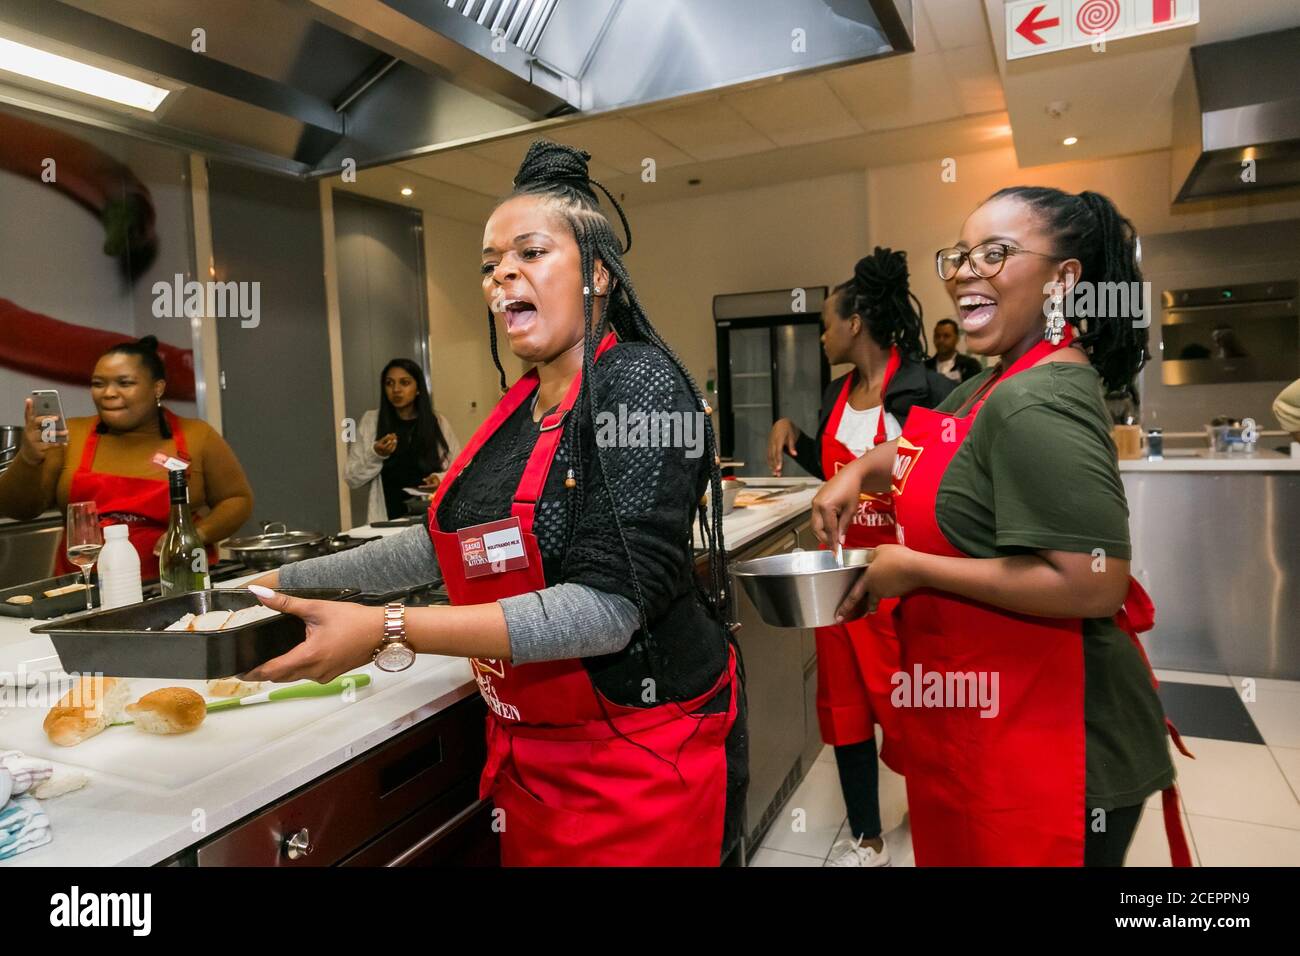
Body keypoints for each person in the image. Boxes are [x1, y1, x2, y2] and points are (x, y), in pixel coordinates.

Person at [242, 141, 747, 867]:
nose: (501, 273)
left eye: (531, 252)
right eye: (489, 263)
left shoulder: (639, 386)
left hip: (639, 758)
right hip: (530, 759)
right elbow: (437, 544)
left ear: (599, 273)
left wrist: (387, 627)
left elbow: (608, 609)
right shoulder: (516, 406)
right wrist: (271, 588)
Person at [812, 186, 1192, 867]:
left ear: (1062, 279)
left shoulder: (1037, 398)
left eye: (996, 253)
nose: (964, 271)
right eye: (960, 255)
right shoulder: (994, 382)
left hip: (1069, 749)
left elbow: (1094, 582)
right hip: (1003, 715)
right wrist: (858, 470)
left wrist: (914, 568)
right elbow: (928, 448)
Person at [767, 248, 952, 866]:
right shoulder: (834, 396)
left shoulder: (928, 391)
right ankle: (867, 838)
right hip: (837, 583)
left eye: (825, 323)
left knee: (916, 713)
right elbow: (832, 477)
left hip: (905, 586)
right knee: (845, 712)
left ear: (854, 324)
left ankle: (938, 830)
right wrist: (792, 434)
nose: (820, 336)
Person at [0, 336, 253, 578]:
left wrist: (194, 535)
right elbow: (21, 509)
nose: (108, 393)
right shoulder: (70, 435)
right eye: (99, 384)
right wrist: (29, 457)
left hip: (175, 583)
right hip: (83, 590)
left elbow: (236, 499)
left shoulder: (197, 435)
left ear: (158, 388)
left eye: (125, 383)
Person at [345, 358, 460, 523]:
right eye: (389, 383)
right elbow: (352, 478)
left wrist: (439, 480)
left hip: (430, 519)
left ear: (418, 388)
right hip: (388, 522)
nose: (396, 389)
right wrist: (376, 453)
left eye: (404, 383)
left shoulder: (437, 422)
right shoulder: (371, 421)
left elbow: (458, 470)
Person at [924, 318, 983, 382]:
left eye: (946, 336)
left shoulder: (970, 365)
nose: (941, 340)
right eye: (937, 336)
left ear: (956, 339)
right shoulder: (925, 367)